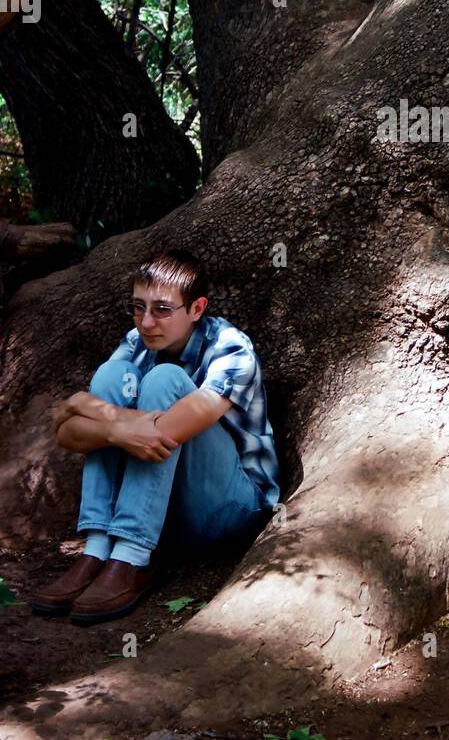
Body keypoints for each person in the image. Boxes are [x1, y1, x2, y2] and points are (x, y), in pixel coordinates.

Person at [30, 249, 281, 625]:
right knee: (112, 377)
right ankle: (98, 548)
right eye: (138, 307)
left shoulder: (230, 346)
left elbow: (157, 438)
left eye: (162, 309)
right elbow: (66, 434)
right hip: (163, 512)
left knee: (165, 380)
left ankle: (131, 555)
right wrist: (115, 426)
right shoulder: (136, 342)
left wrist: (87, 408)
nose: (146, 322)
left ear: (196, 309)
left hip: (227, 508)